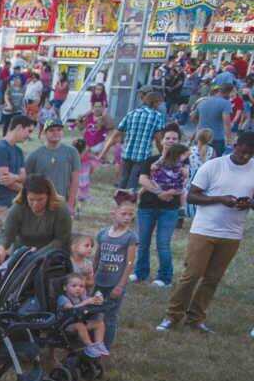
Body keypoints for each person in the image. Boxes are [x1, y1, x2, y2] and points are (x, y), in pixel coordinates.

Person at [160, 130, 253, 333]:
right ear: (235, 145)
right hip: (204, 229)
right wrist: (220, 199)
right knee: (191, 275)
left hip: (232, 233)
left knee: (212, 279)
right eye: (242, 152)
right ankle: (172, 316)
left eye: (250, 154)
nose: (245, 157)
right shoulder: (214, 165)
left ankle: (196, 318)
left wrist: (248, 203)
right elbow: (192, 196)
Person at [131, 138, 189, 286]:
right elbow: (143, 180)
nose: (171, 141)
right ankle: (140, 273)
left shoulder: (183, 164)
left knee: (163, 244)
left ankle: (164, 278)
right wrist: (159, 192)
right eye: (167, 138)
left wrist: (170, 192)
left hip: (169, 209)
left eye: (175, 138)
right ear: (161, 141)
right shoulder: (152, 160)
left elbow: (183, 184)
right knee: (143, 242)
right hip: (147, 207)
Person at [0, 175, 74, 264]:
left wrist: (37, 255)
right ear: (25, 196)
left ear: (49, 196)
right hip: (23, 255)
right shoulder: (18, 207)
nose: (35, 204)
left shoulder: (60, 209)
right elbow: (7, 234)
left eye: (40, 199)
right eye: (31, 199)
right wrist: (1, 247)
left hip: (52, 256)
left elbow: (61, 240)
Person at [93, 194, 137, 348]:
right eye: (124, 214)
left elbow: (130, 263)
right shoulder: (103, 234)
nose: (127, 217)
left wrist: (120, 285)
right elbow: (97, 257)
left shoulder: (130, 237)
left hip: (115, 283)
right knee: (93, 313)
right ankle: (93, 343)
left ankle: (105, 347)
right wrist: (91, 277)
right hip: (99, 281)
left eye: (131, 214)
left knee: (109, 317)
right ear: (114, 213)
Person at [102, 90, 168, 190]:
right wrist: (163, 155)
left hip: (127, 153)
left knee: (123, 180)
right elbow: (158, 140)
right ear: (154, 102)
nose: (160, 105)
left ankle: (120, 201)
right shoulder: (157, 116)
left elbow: (116, 134)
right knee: (133, 184)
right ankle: (129, 201)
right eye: (159, 103)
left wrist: (104, 152)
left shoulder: (131, 113)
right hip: (142, 156)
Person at [0, 115, 32, 226]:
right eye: (29, 131)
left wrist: (15, 178)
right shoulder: (0, 149)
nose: (29, 135)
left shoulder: (18, 151)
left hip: (10, 203)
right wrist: (28, 193)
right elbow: (7, 182)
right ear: (19, 127)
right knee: (1, 241)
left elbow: (24, 177)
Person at [26, 119, 81, 218]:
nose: (56, 133)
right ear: (44, 133)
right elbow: (26, 182)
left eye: (59, 130)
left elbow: (75, 180)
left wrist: (71, 204)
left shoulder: (72, 152)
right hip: (41, 204)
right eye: (51, 130)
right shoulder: (34, 155)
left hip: (62, 202)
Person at [191, 83, 233, 159]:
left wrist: (201, 124)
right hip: (216, 138)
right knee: (214, 164)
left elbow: (193, 117)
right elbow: (227, 124)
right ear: (228, 92)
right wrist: (229, 141)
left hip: (200, 136)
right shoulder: (226, 103)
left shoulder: (203, 102)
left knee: (199, 161)